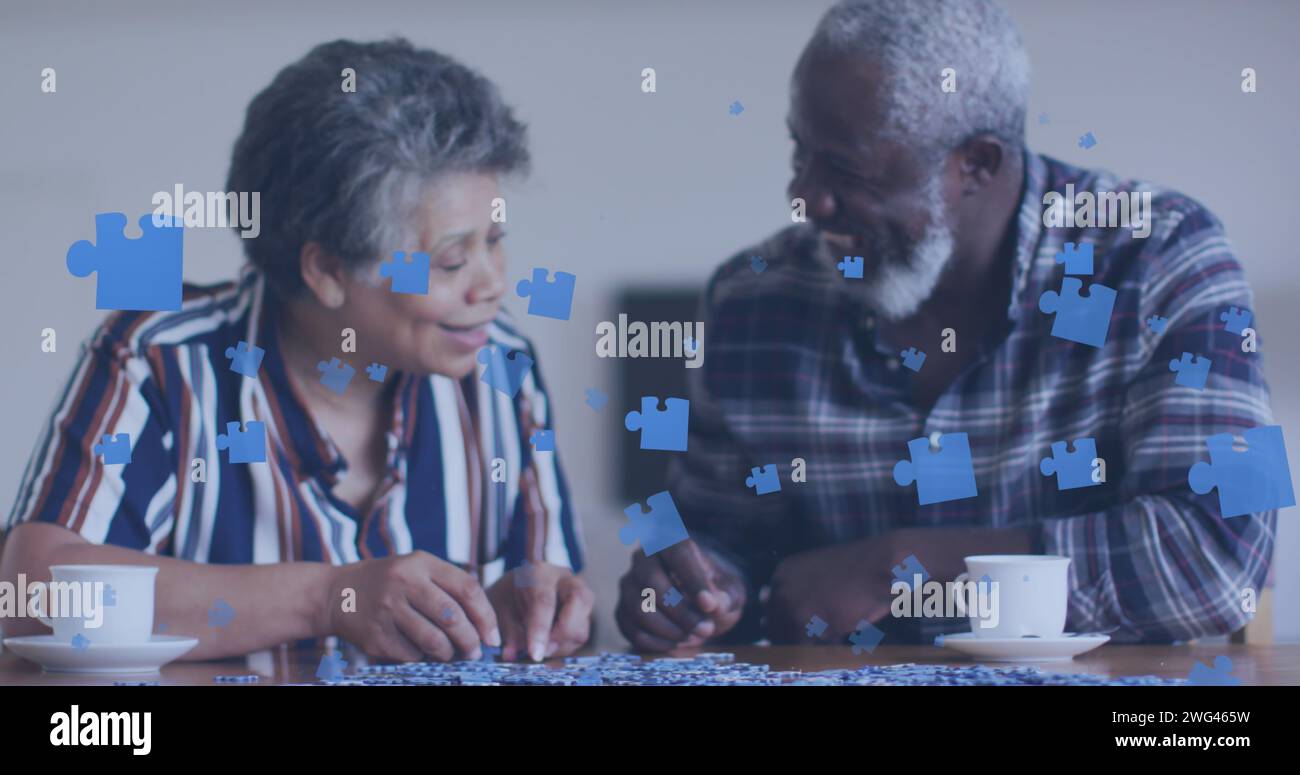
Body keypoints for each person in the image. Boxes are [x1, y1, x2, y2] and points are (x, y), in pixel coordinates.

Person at [615, 0, 1274, 650]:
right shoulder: (751, 304)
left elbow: (1222, 556)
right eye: (801, 151)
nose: (806, 196)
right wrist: (690, 591)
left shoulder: (1164, 254)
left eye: (846, 167)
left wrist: (904, 568)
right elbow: (720, 537)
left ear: (978, 165)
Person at [2, 39, 592, 664]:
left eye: (495, 241)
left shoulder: (501, 363)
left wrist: (540, 605)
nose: (493, 284)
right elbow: (32, 597)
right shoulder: (161, 358)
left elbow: (550, 585)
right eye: (451, 260)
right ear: (327, 269)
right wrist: (329, 596)